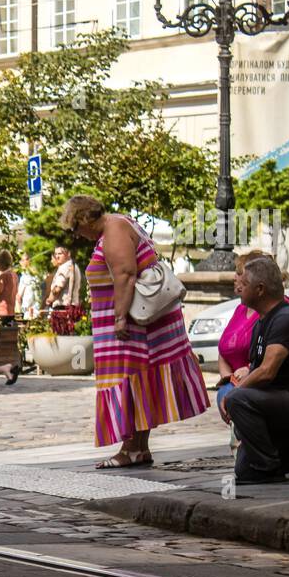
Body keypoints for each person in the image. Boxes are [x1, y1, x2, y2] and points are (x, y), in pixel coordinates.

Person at [60, 195, 209, 468]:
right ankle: (138, 449)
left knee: (127, 380)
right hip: (138, 322)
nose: (76, 235)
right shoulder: (119, 224)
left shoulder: (113, 228)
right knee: (138, 381)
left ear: (83, 219)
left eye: (74, 228)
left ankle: (130, 449)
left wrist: (119, 318)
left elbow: (125, 274)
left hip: (132, 323)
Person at [221, 256, 289, 483]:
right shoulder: (262, 321)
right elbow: (256, 368)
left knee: (238, 400)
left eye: (244, 283)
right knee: (244, 471)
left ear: (260, 289)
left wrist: (234, 394)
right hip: (274, 401)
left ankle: (269, 468)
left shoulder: (285, 318)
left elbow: (267, 370)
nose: (239, 286)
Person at [45, 244, 82, 309]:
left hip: (63, 307)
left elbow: (57, 289)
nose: (57, 256)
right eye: (56, 254)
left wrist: (49, 299)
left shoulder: (65, 266)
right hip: (72, 306)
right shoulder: (74, 266)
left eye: (60, 254)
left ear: (68, 254)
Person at [0, 250, 17, 324]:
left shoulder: (3, 276)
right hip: (11, 311)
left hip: (2, 312)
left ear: (0, 264)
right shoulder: (14, 275)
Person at [16, 253, 41, 317]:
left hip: (27, 311)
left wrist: (20, 312)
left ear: (28, 261)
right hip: (37, 309)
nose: (20, 262)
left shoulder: (25, 276)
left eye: (22, 260)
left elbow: (18, 296)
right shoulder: (37, 275)